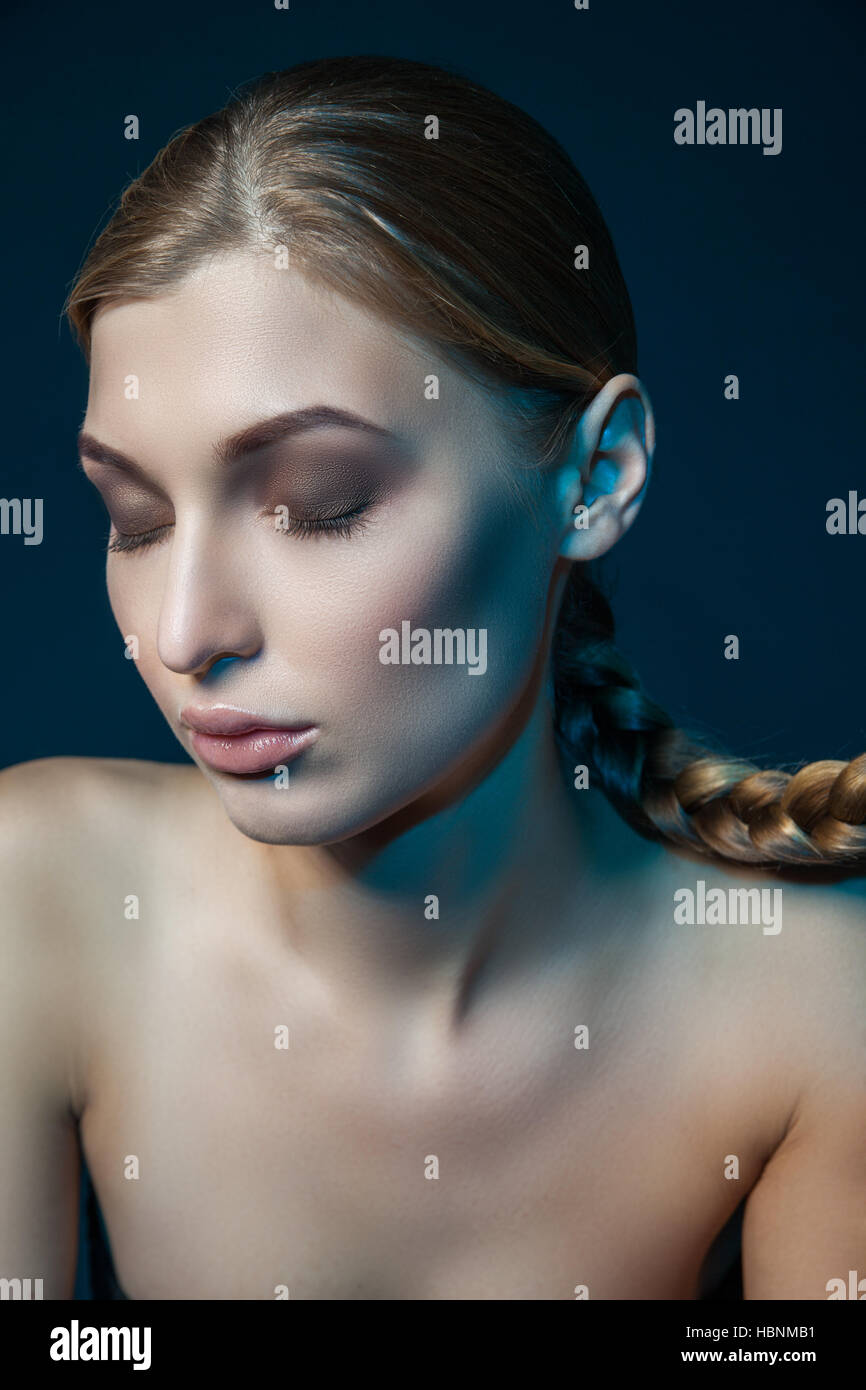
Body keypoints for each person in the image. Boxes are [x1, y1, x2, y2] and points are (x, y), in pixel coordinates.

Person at [1, 55, 864, 1302]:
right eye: (134, 520)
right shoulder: (39, 902)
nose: (183, 630)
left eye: (317, 503)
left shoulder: (812, 1016)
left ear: (593, 475)